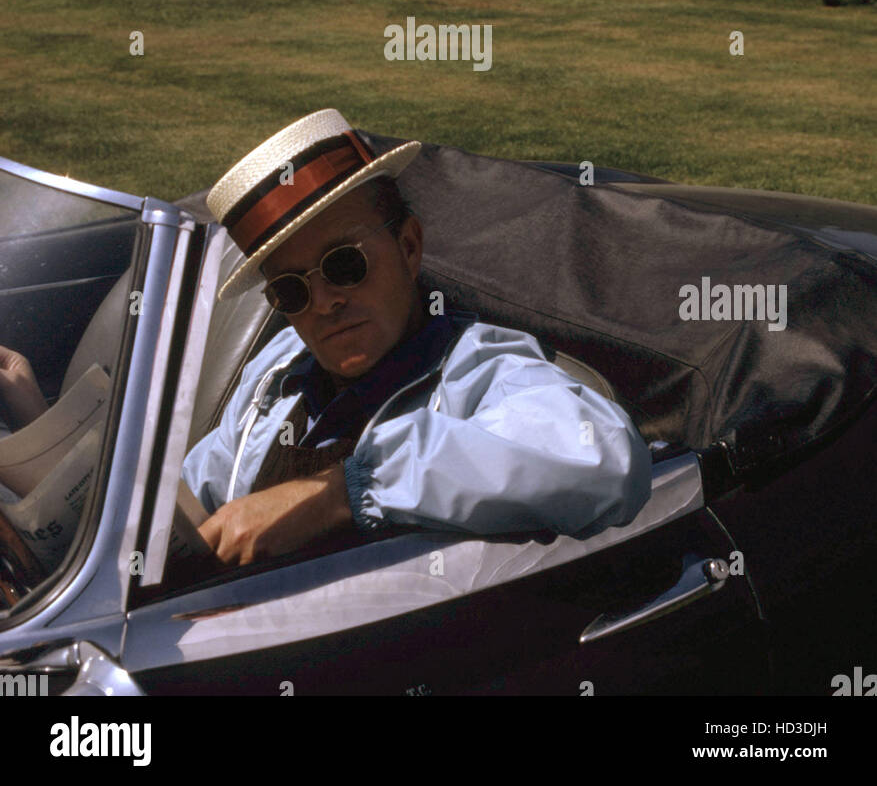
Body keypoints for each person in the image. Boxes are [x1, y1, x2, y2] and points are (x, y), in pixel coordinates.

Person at [179, 109, 653, 567]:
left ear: (408, 246)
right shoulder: (278, 374)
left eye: (345, 264)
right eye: (291, 290)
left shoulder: (477, 368)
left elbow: (605, 459)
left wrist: (343, 492)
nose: (324, 302)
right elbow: (197, 489)